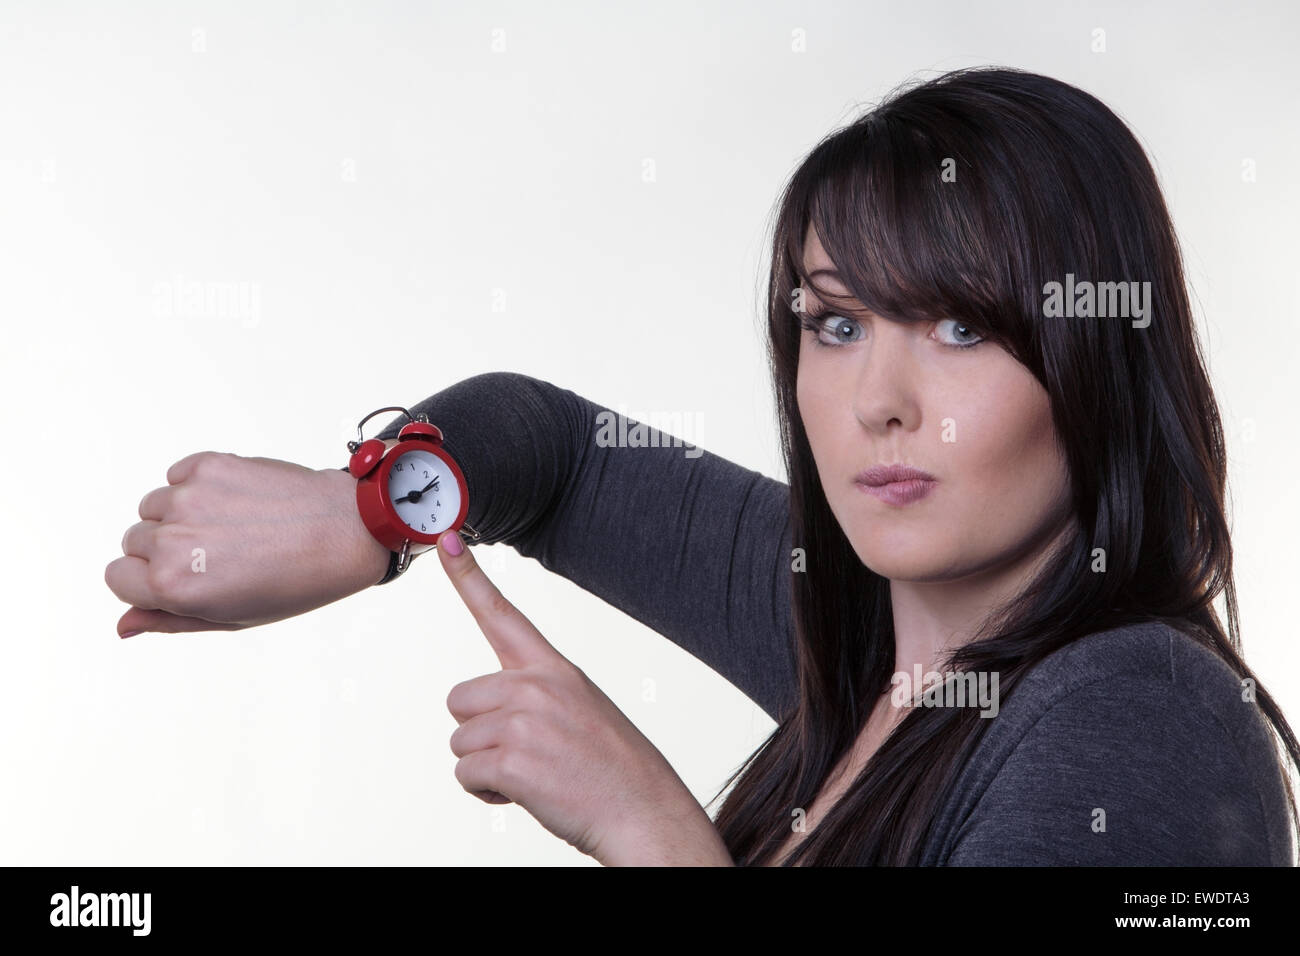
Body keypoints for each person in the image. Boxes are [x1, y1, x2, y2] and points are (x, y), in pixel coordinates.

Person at [105, 66, 1299, 866]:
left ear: (1095, 357)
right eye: (835, 324)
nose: (877, 403)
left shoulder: (1144, 714)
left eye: (959, 326)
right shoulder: (869, 645)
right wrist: (364, 512)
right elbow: (556, 451)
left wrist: (653, 828)